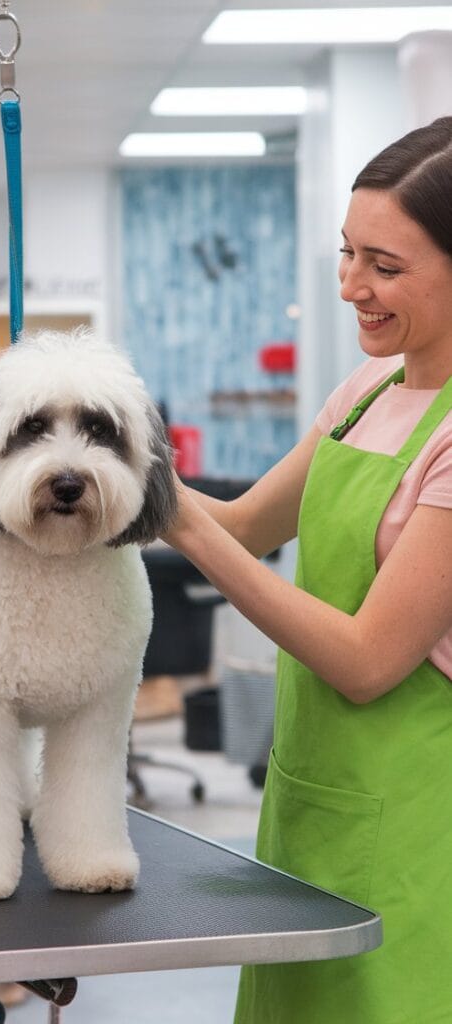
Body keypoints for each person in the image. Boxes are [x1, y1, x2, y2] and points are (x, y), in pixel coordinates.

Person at [162, 117, 452, 1023]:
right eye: (346, 254)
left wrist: (174, 522)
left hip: (415, 824)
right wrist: (98, 475)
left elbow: (368, 661)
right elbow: (246, 524)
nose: (349, 287)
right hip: (308, 801)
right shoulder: (360, 394)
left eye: (384, 267)